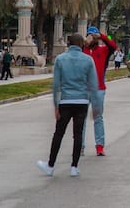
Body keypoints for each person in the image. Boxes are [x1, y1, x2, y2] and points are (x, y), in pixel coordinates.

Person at [36, 33, 99, 178]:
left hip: (65, 101)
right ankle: (74, 167)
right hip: (82, 101)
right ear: (82, 44)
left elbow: (56, 85)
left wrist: (56, 105)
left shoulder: (60, 59)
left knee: (58, 134)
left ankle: (50, 166)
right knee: (78, 135)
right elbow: (93, 85)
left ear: (68, 44)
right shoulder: (88, 60)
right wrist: (95, 106)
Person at [82, 26, 117, 157]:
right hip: (84, 90)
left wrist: (102, 36)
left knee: (98, 118)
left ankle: (100, 146)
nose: (92, 38)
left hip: (98, 90)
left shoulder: (103, 50)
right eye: (90, 35)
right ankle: (80, 146)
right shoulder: (82, 50)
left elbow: (113, 44)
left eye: (93, 36)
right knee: (82, 119)